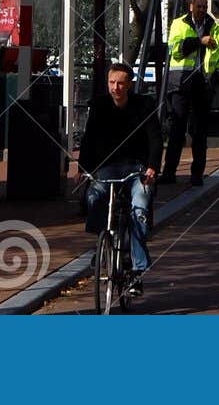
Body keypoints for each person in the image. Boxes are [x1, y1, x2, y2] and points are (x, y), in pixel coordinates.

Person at [80, 62, 162, 288]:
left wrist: (153, 166)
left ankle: (137, 271)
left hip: (137, 169)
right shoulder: (99, 106)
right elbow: (89, 138)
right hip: (107, 167)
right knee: (94, 197)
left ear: (129, 85)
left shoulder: (144, 106)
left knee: (140, 207)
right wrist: (83, 168)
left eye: (120, 83)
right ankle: (103, 247)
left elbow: (155, 138)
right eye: (111, 82)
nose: (115, 87)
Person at [160, 0, 219, 186]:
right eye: (199, 6)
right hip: (181, 83)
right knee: (177, 127)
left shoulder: (217, 28)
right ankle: (169, 173)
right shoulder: (179, 24)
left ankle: (197, 174)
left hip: (203, 84)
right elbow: (176, 50)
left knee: (200, 131)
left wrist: (215, 81)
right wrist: (200, 41)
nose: (202, 9)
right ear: (191, 6)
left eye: (205, 6)